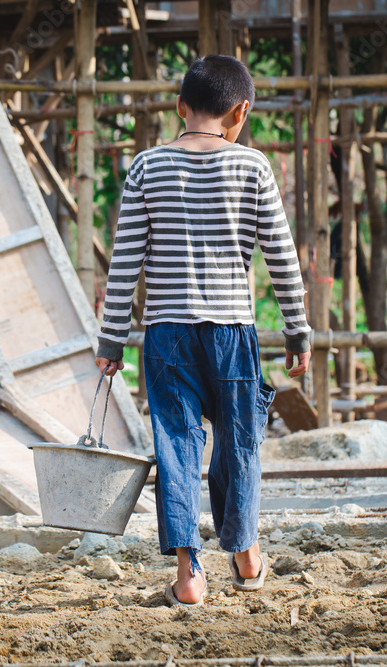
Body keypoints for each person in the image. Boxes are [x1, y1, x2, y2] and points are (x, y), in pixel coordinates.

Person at [94, 54, 311, 606]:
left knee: (177, 446)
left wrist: (111, 339)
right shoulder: (253, 167)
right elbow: (281, 258)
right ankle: (244, 552)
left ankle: (190, 575)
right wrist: (297, 330)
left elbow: (125, 262)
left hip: (166, 333)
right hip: (231, 331)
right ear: (240, 111)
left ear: (179, 106)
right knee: (239, 443)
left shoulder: (147, 166)